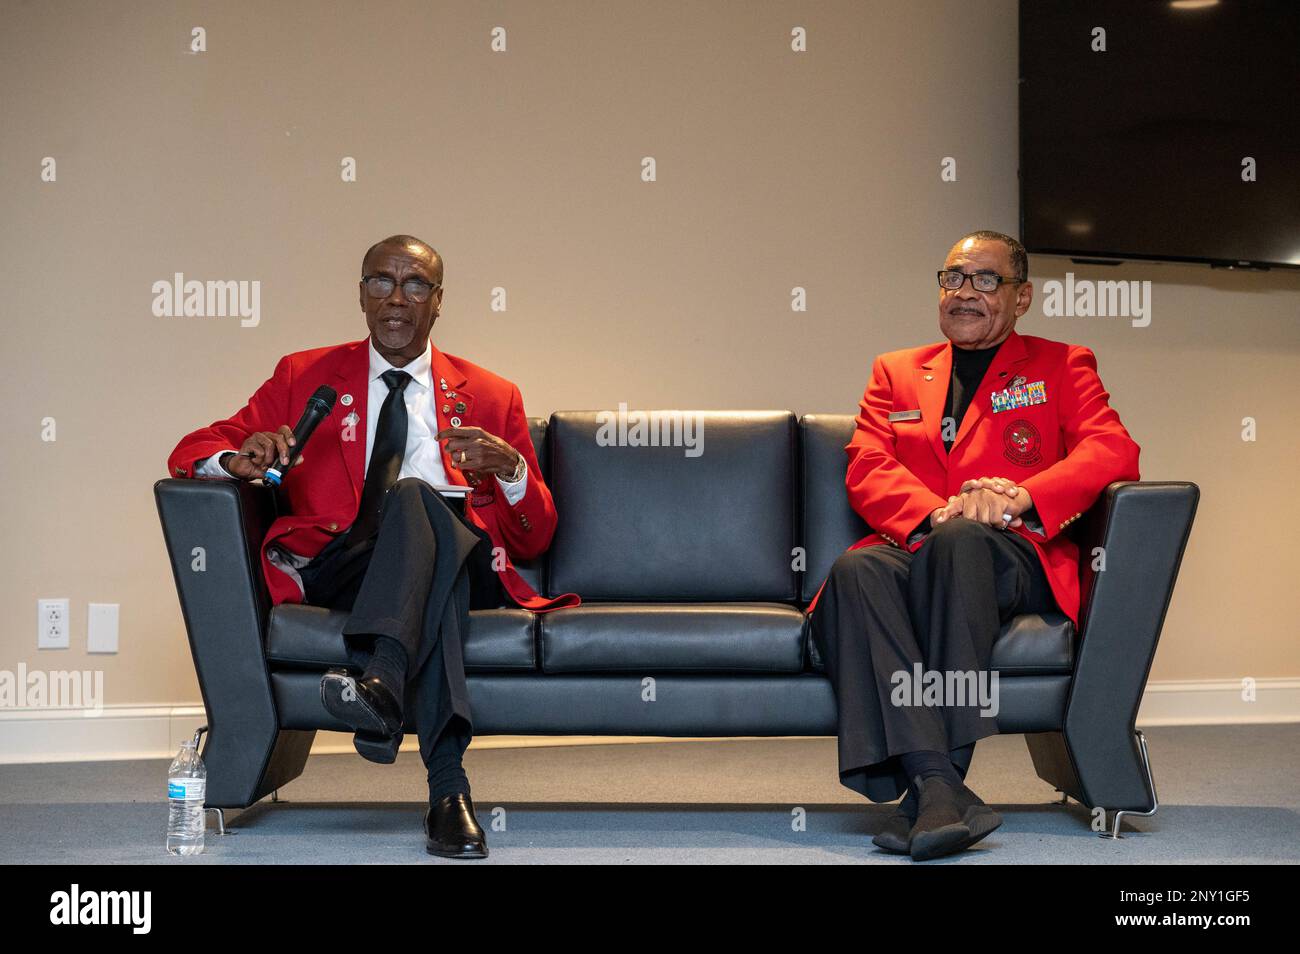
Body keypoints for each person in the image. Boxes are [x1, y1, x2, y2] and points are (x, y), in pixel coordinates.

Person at [167, 234, 577, 858]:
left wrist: (513, 468)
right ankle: (448, 792)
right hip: (349, 564)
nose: (396, 298)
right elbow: (193, 448)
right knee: (426, 539)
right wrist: (237, 459)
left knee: (423, 506)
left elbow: (536, 536)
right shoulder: (306, 376)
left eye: (415, 285)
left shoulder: (494, 396)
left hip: (470, 560)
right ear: (361, 295)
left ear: (437, 302)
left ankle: (382, 684)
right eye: (380, 282)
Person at [808, 230, 1140, 860]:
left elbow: (1112, 450)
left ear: (1022, 298)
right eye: (953, 278)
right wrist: (934, 512)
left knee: (964, 540)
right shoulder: (896, 370)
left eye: (986, 280)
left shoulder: (1061, 364)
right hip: (922, 537)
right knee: (855, 571)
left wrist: (1019, 498)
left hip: (1012, 553)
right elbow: (866, 464)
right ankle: (937, 783)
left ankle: (936, 775)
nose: (964, 293)